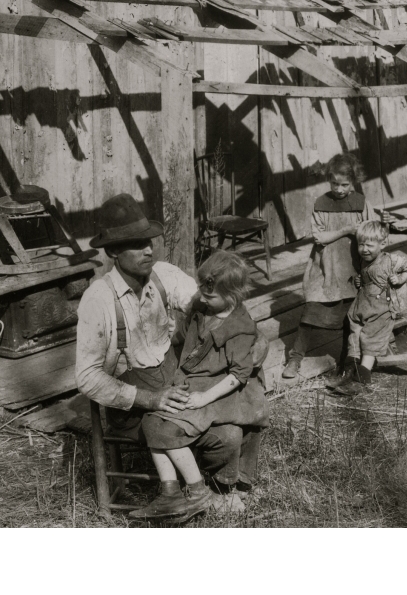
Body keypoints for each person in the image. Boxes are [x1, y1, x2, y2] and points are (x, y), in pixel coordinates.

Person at [75, 194, 266, 522]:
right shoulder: (98, 300)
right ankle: (185, 493)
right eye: (137, 245)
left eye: (149, 242)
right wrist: (150, 399)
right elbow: (87, 377)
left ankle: (220, 488)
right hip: (134, 403)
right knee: (205, 431)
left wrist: (250, 335)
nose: (149, 250)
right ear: (114, 252)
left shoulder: (163, 275)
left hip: (177, 381)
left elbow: (212, 301)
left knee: (236, 426)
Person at [138, 251, 267, 519]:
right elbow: (185, 336)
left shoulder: (239, 328)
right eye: (202, 292)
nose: (203, 298)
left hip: (217, 391)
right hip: (192, 379)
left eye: (211, 296)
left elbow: (238, 375)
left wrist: (204, 398)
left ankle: (197, 490)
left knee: (164, 424)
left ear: (232, 296)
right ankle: (171, 492)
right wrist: (170, 334)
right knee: (152, 420)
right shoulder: (201, 306)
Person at [283, 153, 378, 379]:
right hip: (325, 267)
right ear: (329, 180)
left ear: (353, 181)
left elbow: (372, 233)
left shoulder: (362, 203)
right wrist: (346, 230)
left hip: (351, 267)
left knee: (350, 317)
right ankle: (295, 358)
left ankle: (345, 360)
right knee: (311, 311)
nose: (339, 189)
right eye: (335, 183)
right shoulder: (321, 203)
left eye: (344, 184)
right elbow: (320, 238)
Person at [331, 220, 407, 396]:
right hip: (363, 305)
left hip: (382, 309)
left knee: (370, 339)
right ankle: (350, 370)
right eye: (361, 245)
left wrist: (400, 279)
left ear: (383, 244)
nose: (364, 249)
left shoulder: (391, 260)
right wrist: (360, 280)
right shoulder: (364, 261)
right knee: (354, 334)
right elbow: (368, 278)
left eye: (369, 245)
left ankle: (362, 379)